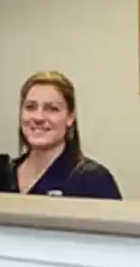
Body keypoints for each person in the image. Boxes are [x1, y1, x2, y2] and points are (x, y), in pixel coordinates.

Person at [12, 70, 122, 200]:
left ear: (70, 117)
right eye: (30, 107)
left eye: (52, 108)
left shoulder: (92, 179)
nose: (38, 117)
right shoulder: (2, 175)